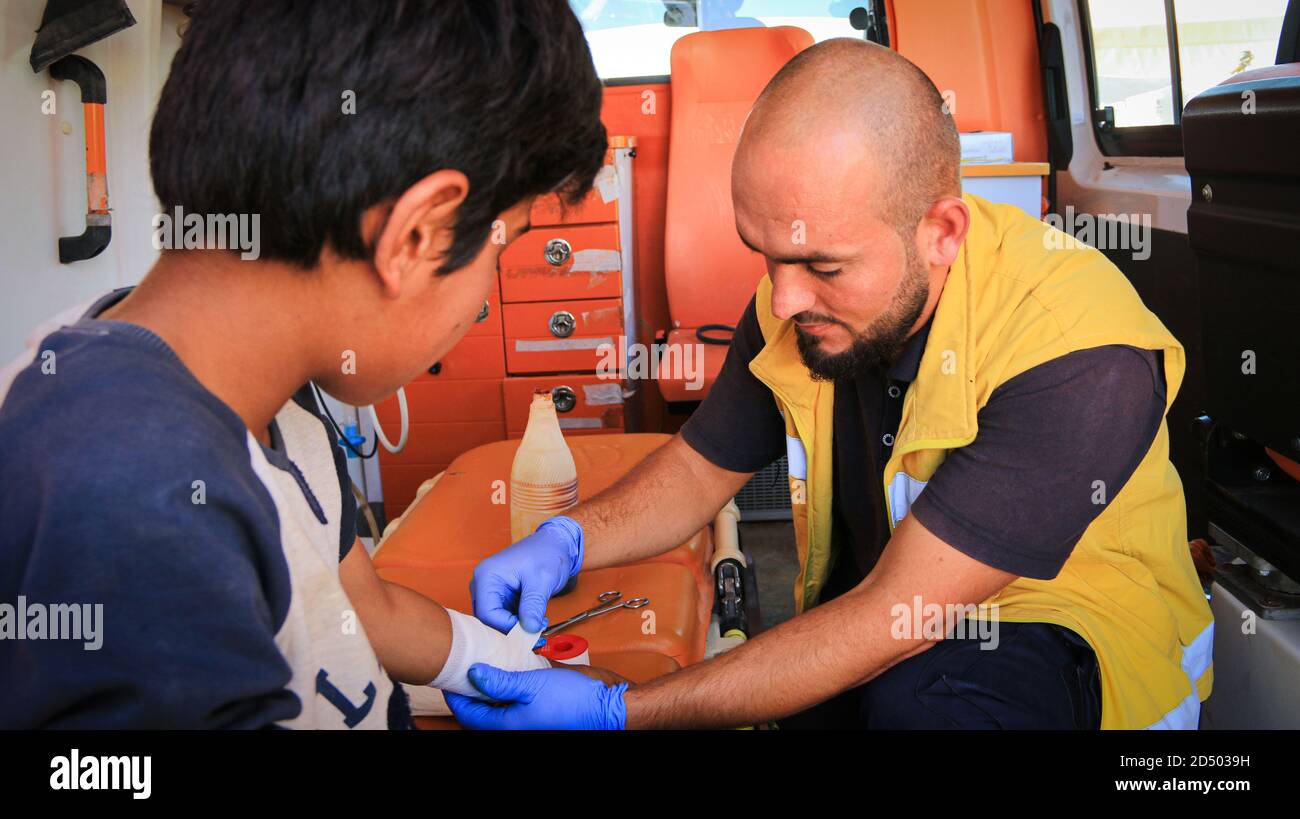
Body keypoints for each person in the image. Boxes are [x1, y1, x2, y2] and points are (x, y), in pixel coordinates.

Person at [454, 39, 1214, 730]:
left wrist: (622, 710)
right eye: (764, 254)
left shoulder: (1079, 351)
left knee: (916, 708)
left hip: (1075, 655)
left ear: (941, 232)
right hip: (892, 618)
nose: (782, 301)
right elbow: (697, 468)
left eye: (823, 266)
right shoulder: (796, 302)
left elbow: (894, 615)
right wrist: (569, 538)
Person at [0, 0, 611, 729]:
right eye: (503, 247)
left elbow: (364, 607)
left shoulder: (258, 384)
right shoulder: (129, 499)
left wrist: (520, 665)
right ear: (416, 233)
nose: (484, 299)